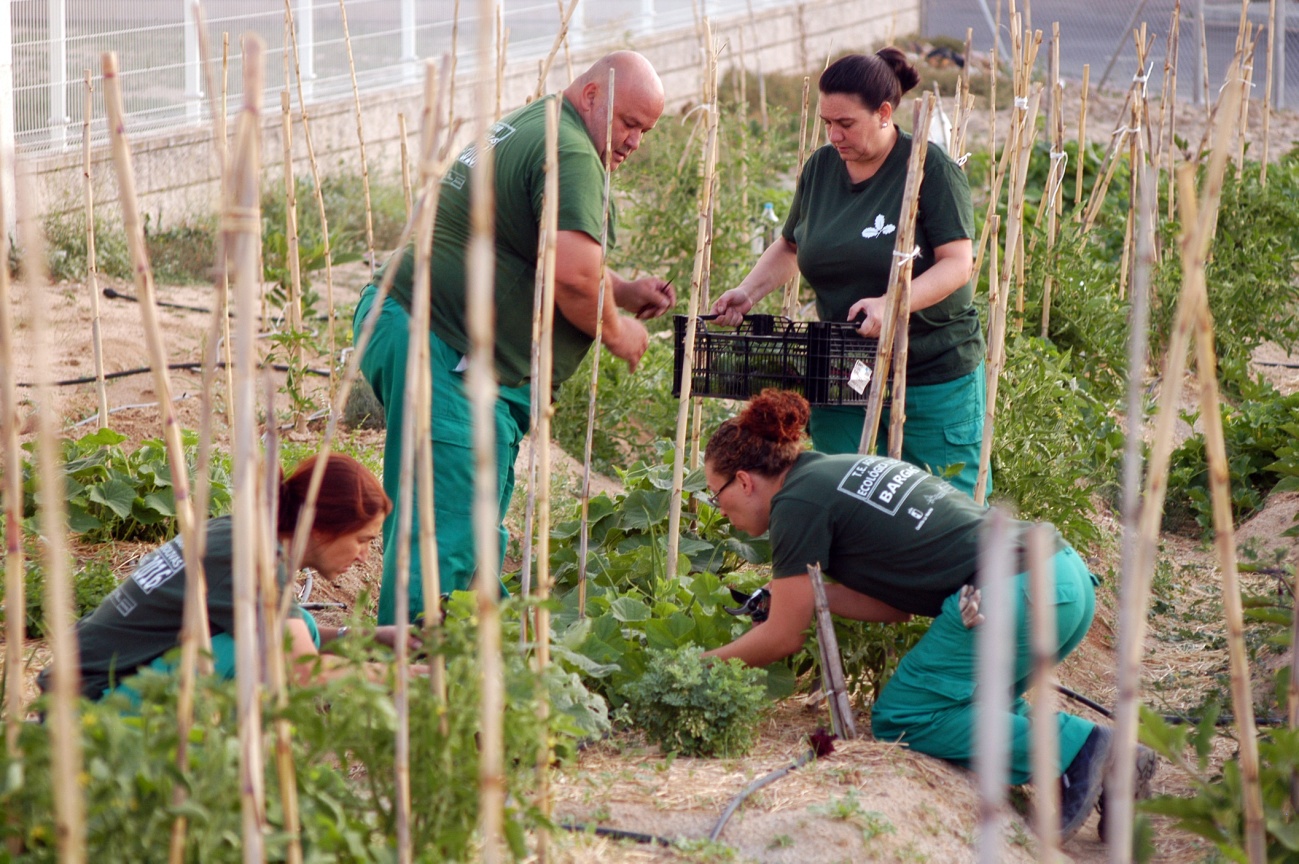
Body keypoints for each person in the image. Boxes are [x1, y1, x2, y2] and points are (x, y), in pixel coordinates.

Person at [700, 390, 1156, 841]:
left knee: (905, 716)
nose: (721, 512)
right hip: (1061, 580)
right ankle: (1111, 771)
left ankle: (1090, 749)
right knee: (975, 707)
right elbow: (896, 608)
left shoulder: (795, 505)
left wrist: (701, 667)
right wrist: (808, 599)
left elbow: (783, 638)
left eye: (716, 496)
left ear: (743, 480)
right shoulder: (826, 472)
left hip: (1011, 594)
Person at [356, 51, 675, 625]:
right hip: (444, 346)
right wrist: (618, 331)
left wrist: (622, 291)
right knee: (443, 530)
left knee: (470, 523)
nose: (634, 141)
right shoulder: (573, 153)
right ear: (593, 95)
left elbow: (540, 248)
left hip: (423, 328)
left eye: (646, 132)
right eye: (629, 123)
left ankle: (468, 664)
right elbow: (575, 276)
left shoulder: (541, 123)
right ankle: (410, 679)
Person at [712, 49, 987, 496]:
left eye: (846, 123)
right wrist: (748, 292)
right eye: (827, 123)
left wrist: (891, 303)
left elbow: (958, 263)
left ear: (883, 113)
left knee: (942, 505)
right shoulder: (821, 169)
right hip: (844, 369)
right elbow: (791, 244)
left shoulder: (928, 169)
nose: (834, 135)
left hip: (932, 369)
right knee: (846, 495)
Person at [38, 453, 418, 701]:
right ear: (320, 527)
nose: (365, 555)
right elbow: (304, 672)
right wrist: (412, 676)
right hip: (89, 705)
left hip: (89, 681)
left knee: (297, 625)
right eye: (362, 539)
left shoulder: (242, 532)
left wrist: (371, 638)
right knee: (260, 655)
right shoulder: (255, 562)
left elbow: (293, 637)